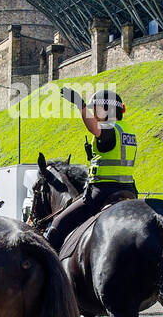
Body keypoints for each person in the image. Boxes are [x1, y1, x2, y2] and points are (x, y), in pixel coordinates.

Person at [44, 87, 138, 253]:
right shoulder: (127, 130)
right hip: (129, 190)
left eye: (96, 110)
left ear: (107, 110)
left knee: (58, 223)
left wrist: (80, 105)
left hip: (102, 192)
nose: (93, 114)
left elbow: (95, 129)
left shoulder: (111, 127)